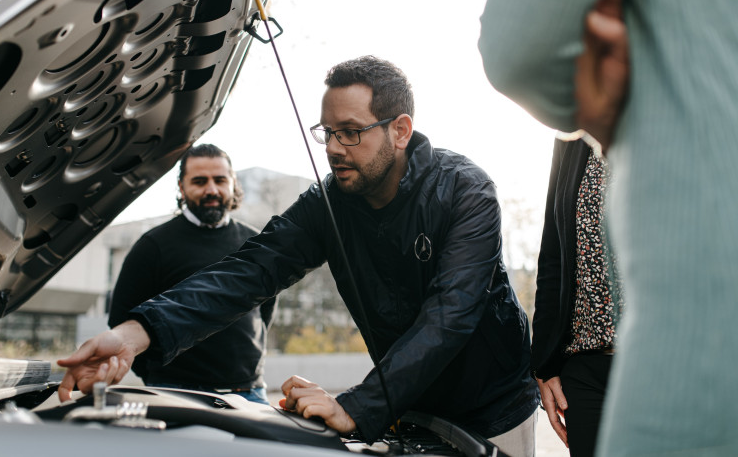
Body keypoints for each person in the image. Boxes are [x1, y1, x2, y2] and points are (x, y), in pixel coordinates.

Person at [58, 56, 540, 456]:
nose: (333, 149)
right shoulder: (327, 203)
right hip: (403, 405)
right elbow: (249, 271)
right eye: (326, 132)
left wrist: (359, 405)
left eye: (350, 132)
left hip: (492, 406)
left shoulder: (465, 190)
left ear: (400, 130)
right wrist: (135, 333)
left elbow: (450, 314)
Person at [479, 0, 738, 456]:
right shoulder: (571, 147)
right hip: (589, 365)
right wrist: (548, 364)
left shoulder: (645, 106)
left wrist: (614, 108)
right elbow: (557, 253)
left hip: (693, 328)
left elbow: (519, 48)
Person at [108, 144, 273, 404]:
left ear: (233, 183)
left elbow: (265, 312)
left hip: (250, 393)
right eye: (199, 181)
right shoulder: (152, 246)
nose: (211, 190)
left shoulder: (256, 242)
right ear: (182, 188)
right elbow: (120, 318)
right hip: (175, 392)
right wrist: (155, 376)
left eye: (220, 180)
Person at [533, 137, 621, 457]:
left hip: (667, 365)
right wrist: (545, 365)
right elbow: (553, 253)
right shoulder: (572, 135)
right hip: (585, 375)